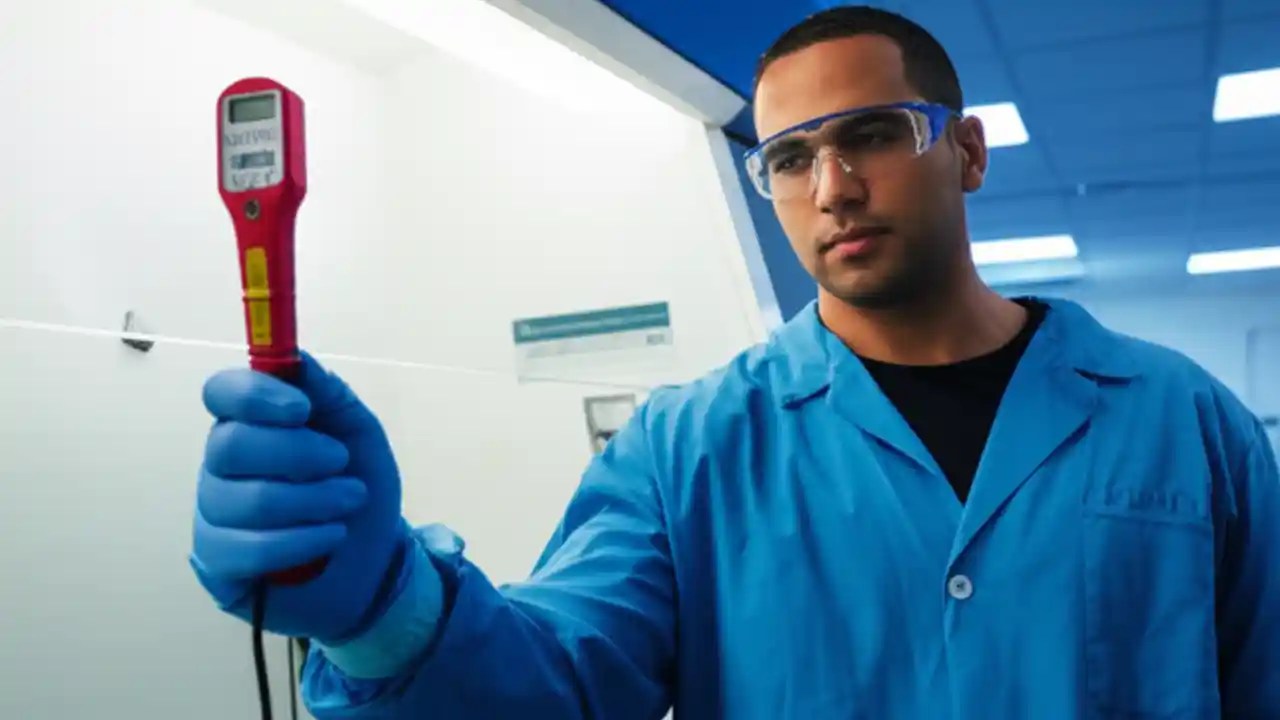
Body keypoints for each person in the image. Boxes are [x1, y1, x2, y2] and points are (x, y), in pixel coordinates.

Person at [190, 6, 1280, 718]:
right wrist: (386, 608)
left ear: (966, 149)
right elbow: (561, 684)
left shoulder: (1182, 421)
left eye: (870, 135)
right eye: (790, 158)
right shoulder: (685, 450)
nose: (830, 188)